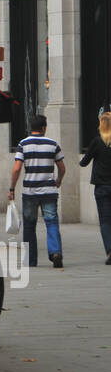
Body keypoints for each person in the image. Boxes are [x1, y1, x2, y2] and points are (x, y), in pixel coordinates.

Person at [9, 114, 65, 268]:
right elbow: (62, 167)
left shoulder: (23, 144)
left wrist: (12, 188)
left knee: (29, 225)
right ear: (43, 128)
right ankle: (55, 253)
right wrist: (58, 180)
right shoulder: (53, 144)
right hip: (49, 191)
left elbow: (17, 169)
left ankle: (31, 260)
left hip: (30, 192)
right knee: (52, 222)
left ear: (31, 127)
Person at [79, 108, 111, 262]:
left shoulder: (97, 141)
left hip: (102, 186)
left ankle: (110, 250)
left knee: (105, 221)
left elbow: (84, 162)